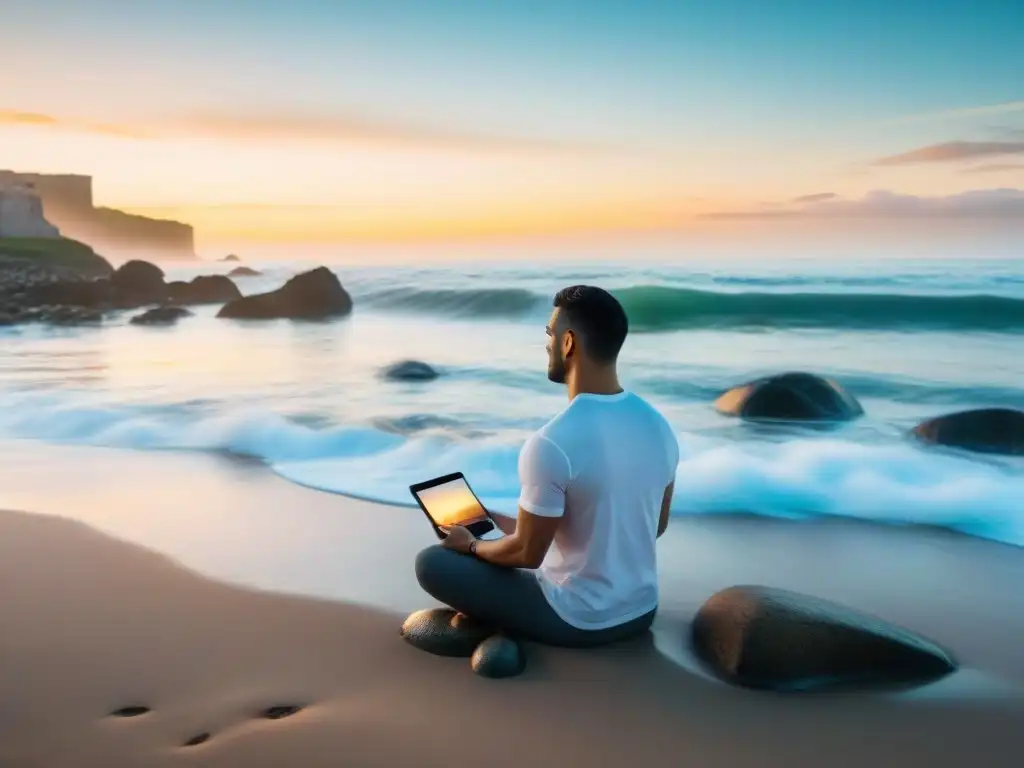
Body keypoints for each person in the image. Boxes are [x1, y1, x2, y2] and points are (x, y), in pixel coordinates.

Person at [414, 285, 679, 648]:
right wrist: (505, 523)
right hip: (641, 611)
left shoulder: (552, 442)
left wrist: (472, 546)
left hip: (579, 620)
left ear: (568, 343)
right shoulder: (658, 425)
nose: (547, 345)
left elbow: (527, 554)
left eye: (549, 334)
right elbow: (653, 526)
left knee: (431, 563)